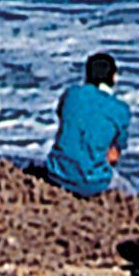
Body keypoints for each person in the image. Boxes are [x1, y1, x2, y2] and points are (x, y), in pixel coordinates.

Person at [40, 51, 132, 197]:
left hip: (55, 173)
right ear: (113, 77)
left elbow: (63, 118)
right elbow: (113, 156)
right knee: (125, 188)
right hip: (92, 183)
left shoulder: (71, 94)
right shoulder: (120, 110)